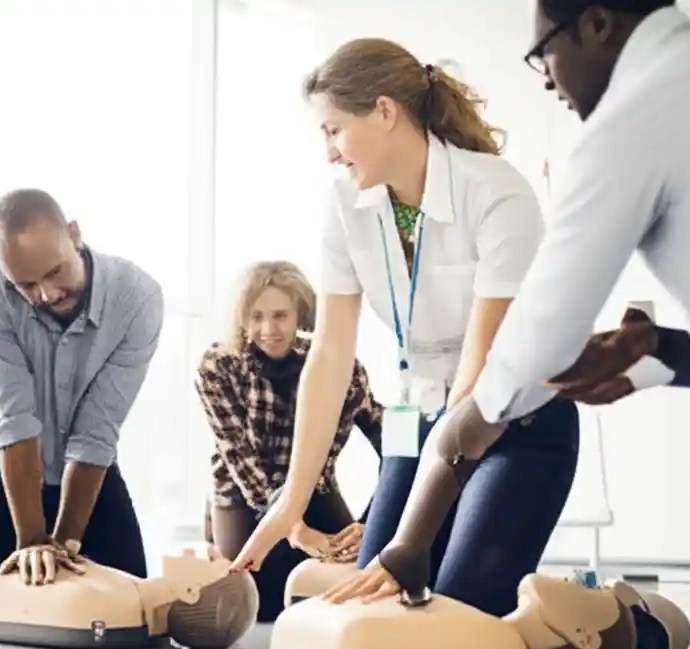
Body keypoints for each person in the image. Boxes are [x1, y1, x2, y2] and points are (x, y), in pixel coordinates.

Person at [324, 2, 690, 649]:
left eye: (544, 51)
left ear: (597, 24)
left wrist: (418, 526)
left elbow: (532, 347)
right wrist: (661, 352)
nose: (546, 79)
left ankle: (621, 620)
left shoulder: (624, 125)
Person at [231, 38, 581, 619]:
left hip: (513, 421)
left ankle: (624, 620)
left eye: (334, 130)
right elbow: (330, 355)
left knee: (459, 612)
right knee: (380, 610)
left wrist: (412, 539)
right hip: (414, 416)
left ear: (386, 112)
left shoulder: (497, 193)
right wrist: (289, 502)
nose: (330, 153)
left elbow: (476, 382)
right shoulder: (345, 205)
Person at [0, 189, 163, 636]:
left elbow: (97, 430)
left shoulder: (139, 298)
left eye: (55, 272)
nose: (47, 294)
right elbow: (13, 419)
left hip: (86, 463)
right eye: (27, 287)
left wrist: (63, 545)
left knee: (132, 617)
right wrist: (32, 541)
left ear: (74, 235)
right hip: (0, 456)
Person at [195, 261, 381, 621]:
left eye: (280, 315)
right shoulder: (217, 366)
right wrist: (296, 529)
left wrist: (373, 522)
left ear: (300, 314)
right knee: (257, 603)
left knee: (350, 588)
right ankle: (215, 548)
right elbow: (242, 463)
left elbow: (392, 444)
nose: (268, 329)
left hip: (317, 491)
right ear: (241, 318)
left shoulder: (341, 367)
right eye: (257, 316)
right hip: (244, 497)